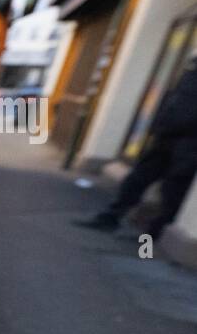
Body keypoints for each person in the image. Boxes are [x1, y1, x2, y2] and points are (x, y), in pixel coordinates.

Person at [78, 60, 197, 240]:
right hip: (167, 135)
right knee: (138, 178)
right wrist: (159, 126)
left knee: (173, 189)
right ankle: (112, 216)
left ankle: (154, 233)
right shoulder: (190, 71)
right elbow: (174, 101)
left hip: (189, 141)